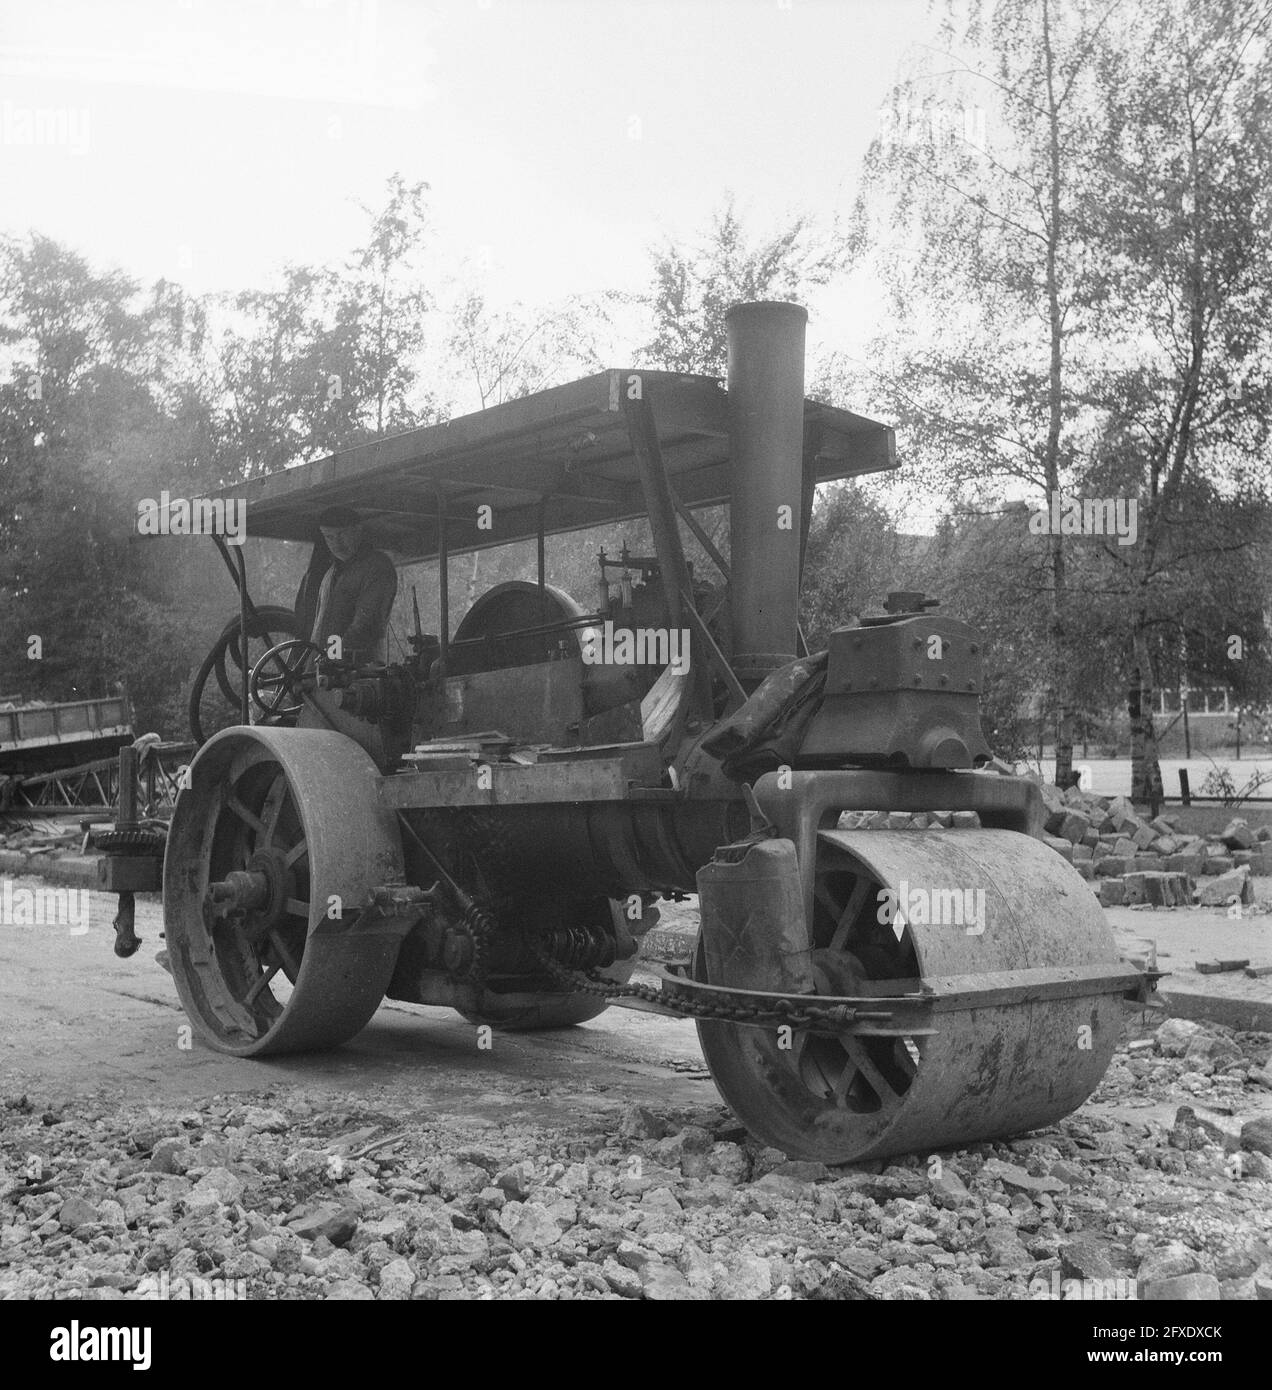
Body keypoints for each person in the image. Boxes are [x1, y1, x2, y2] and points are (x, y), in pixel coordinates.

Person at [294, 506, 397, 665]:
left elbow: (365, 626)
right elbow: (318, 632)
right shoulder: (330, 574)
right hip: (327, 674)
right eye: (329, 537)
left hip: (360, 674)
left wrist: (330, 659)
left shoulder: (377, 567)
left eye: (342, 535)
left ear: (358, 530)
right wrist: (308, 669)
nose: (337, 544)